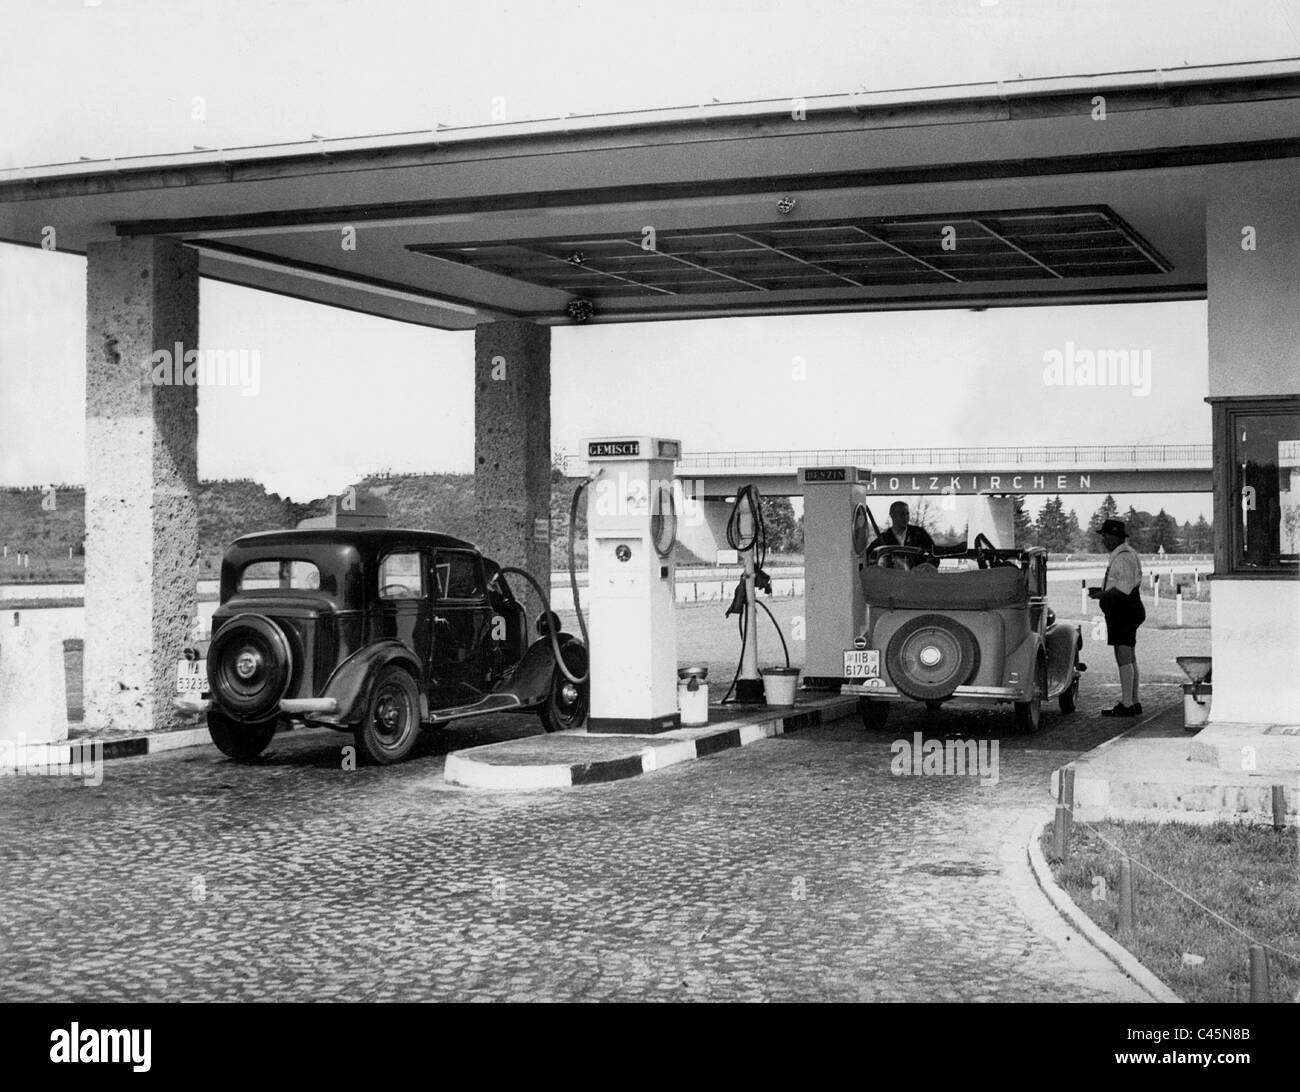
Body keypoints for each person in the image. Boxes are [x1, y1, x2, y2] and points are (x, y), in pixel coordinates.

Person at [1089, 518, 1145, 717]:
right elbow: (1123, 583)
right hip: (1128, 609)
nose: (1103, 539)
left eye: (1105, 535)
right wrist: (1104, 590)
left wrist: (1101, 594)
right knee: (1129, 655)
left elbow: (1123, 589)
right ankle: (1134, 701)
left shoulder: (1122, 557)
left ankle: (1127, 704)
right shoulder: (1127, 554)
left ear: (1114, 537)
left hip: (1123, 610)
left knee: (1122, 655)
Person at [867, 501, 936, 557]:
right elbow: (867, 557)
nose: (905, 517)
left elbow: (935, 554)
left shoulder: (920, 534)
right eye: (901, 514)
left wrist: (926, 567)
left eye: (907, 514)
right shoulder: (882, 540)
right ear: (891, 515)